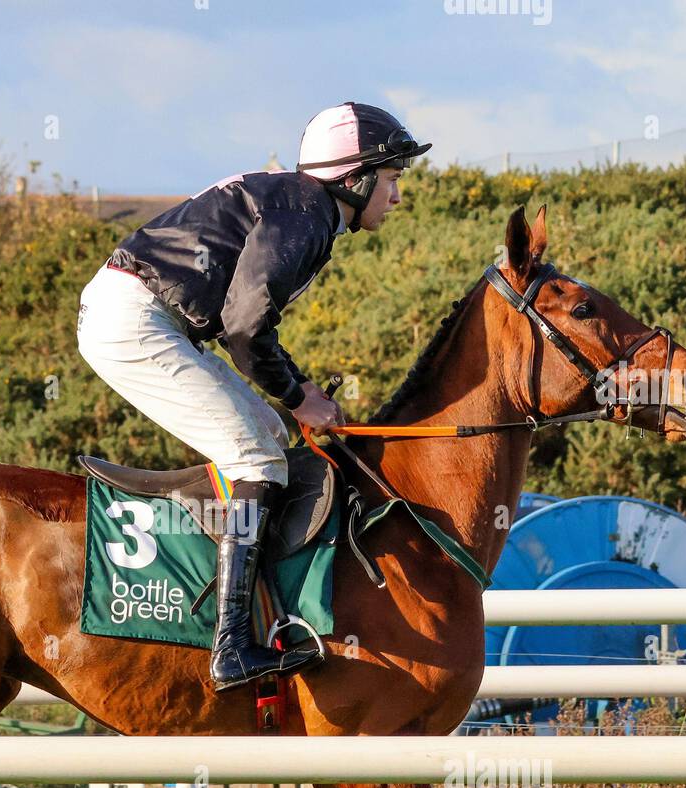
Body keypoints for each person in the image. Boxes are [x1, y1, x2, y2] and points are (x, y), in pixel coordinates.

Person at [77, 102, 430, 691]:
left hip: (138, 311)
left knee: (265, 434)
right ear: (356, 177)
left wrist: (296, 390)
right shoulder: (310, 213)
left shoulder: (302, 204)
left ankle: (246, 606)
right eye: (391, 181)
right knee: (259, 456)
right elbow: (244, 325)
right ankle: (232, 647)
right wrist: (298, 396)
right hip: (135, 319)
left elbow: (246, 322)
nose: (396, 198)